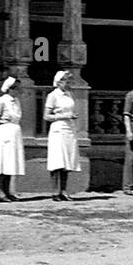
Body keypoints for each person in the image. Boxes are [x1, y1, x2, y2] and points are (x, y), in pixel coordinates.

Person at [44, 70, 81, 201]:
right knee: (57, 160)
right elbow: (46, 116)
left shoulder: (70, 94)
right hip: (58, 128)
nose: (69, 83)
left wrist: (72, 116)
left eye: (70, 81)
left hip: (69, 128)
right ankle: (55, 191)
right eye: (66, 81)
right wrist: (64, 116)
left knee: (68, 160)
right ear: (59, 82)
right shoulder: (53, 96)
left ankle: (64, 190)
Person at [0, 75, 25, 202]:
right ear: (10, 89)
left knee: (11, 163)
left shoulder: (17, 102)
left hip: (14, 132)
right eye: (17, 88)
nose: (19, 91)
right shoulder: (1, 101)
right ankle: (0, 192)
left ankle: (8, 191)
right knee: (2, 162)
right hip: (4, 132)